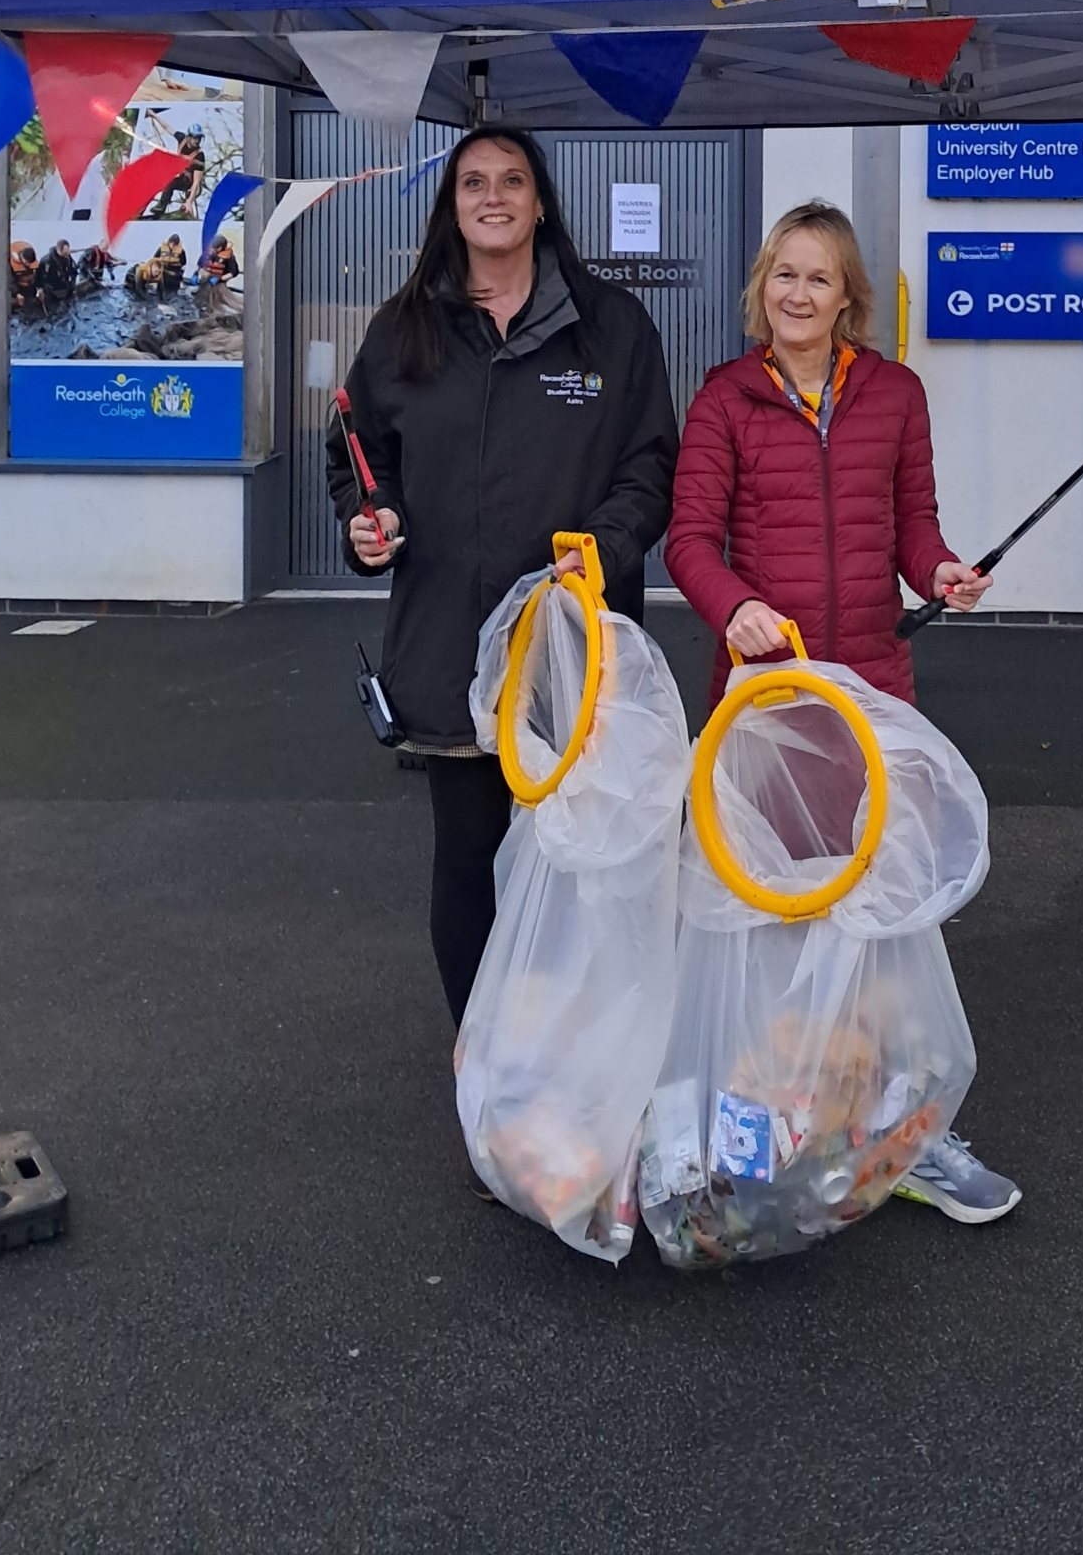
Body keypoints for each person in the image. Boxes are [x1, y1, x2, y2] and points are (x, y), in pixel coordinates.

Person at [665, 199, 1020, 1226]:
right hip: (767, 708)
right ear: (761, 287)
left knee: (883, 924)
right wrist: (735, 608)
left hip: (871, 698)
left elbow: (913, 527)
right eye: (783, 273)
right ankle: (774, 1122)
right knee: (769, 919)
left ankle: (905, 1134)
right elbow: (688, 540)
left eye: (818, 277)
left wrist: (940, 572)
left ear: (847, 296)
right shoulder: (725, 398)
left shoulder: (896, 395)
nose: (798, 293)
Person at [327, 127, 678, 1052]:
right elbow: (358, 457)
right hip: (449, 643)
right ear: (452, 207)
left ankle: (576, 1060)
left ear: (541, 202)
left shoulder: (612, 327)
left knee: (577, 865)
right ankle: (490, 1065)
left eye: (512, 180)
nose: (493, 196)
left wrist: (602, 548)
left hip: (572, 647)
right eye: (474, 181)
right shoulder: (404, 330)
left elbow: (652, 466)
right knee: (468, 859)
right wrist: (370, 519)